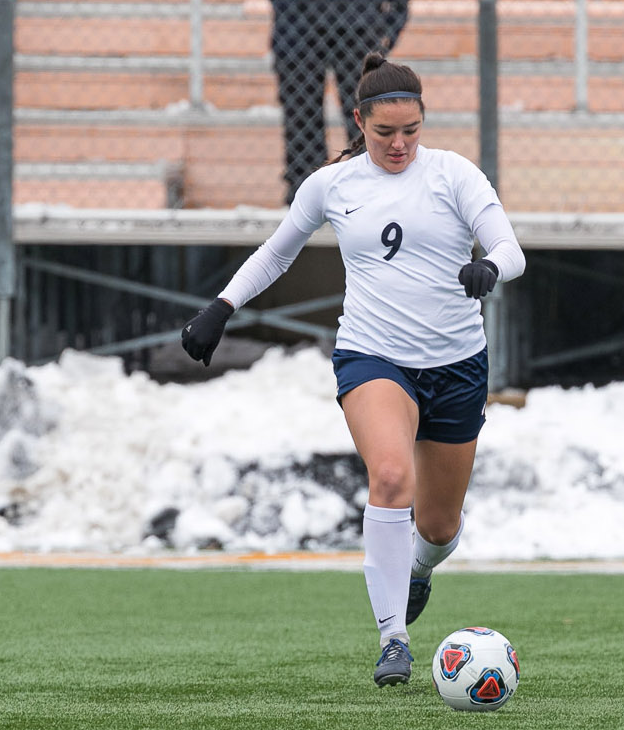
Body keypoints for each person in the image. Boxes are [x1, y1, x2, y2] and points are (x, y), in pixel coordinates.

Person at [181, 52, 525, 688]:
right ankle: (393, 638)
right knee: (390, 476)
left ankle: (418, 570)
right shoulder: (331, 185)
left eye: (411, 131)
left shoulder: (454, 176)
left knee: (441, 527)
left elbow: (510, 248)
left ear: (424, 123)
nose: (399, 144)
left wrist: (489, 269)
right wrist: (221, 307)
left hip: (455, 363)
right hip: (373, 354)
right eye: (384, 132)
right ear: (359, 122)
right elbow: (276, 254)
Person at [269, 0, 409, 204]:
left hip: (357, 19)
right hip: (299, 20)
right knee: (302, 110)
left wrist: (391, 22)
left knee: (367, 112)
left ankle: (371, 187)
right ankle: (307, 191)